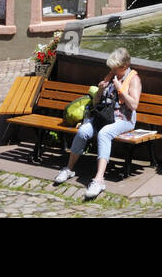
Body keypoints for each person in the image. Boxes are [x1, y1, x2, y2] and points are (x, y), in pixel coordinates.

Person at [55, 47, 141, 199]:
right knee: (83, 131)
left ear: (125, 66)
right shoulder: (110, 75)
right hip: (104, 117)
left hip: (123, 120)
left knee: (104, 134)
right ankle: (69, 169)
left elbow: (134, 105)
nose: (112, 70)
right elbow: (96, 103)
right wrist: (100, 91)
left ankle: (99, 180)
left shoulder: (134, 79)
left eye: (115, 68)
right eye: (111, 68)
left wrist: (121, 90)